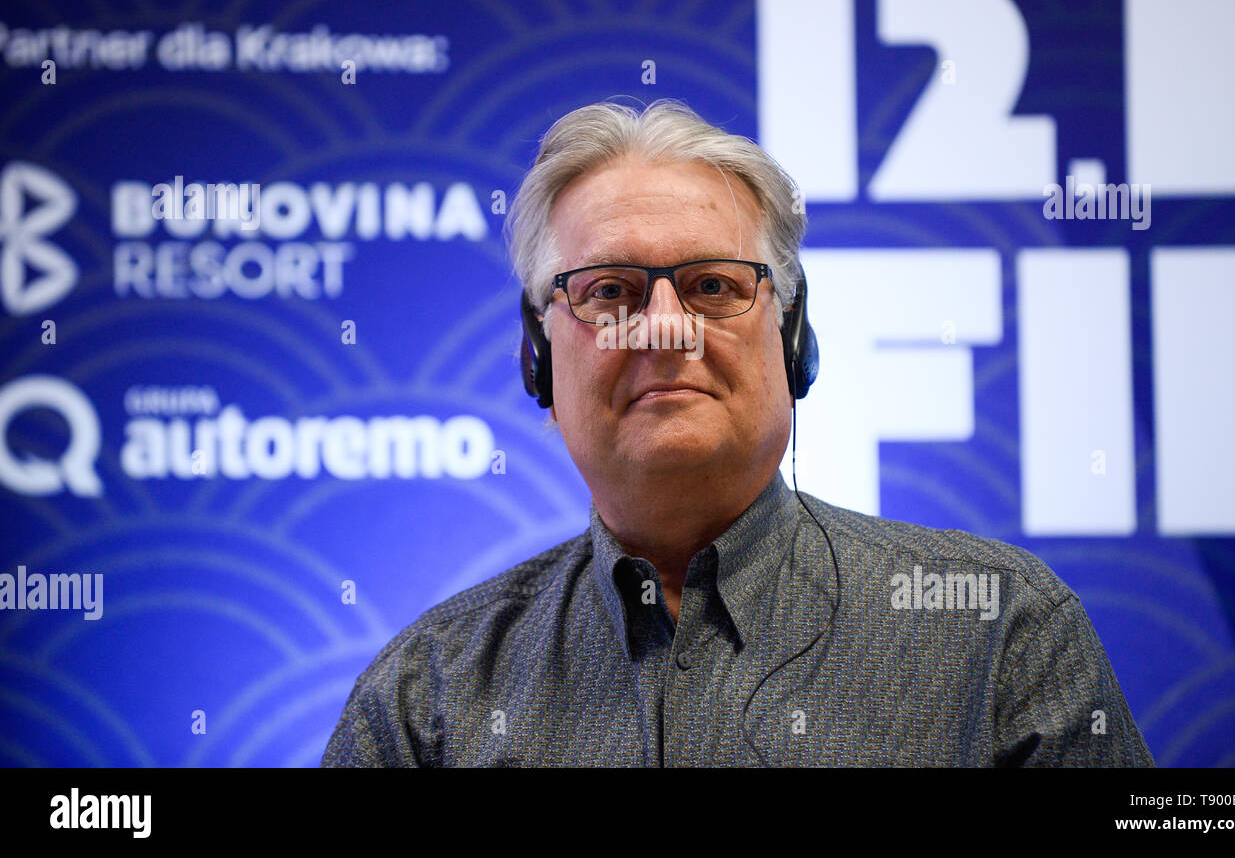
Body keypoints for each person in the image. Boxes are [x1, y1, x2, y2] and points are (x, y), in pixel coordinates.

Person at [321, 99, 1155, 767]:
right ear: (539, 356)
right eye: (610, 291)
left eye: (713, 285)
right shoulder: (424, 701)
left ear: (793, 339)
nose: (664, 329)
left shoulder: (1000, 635)